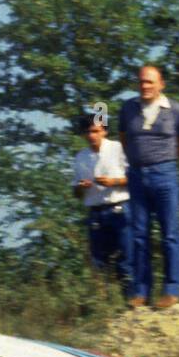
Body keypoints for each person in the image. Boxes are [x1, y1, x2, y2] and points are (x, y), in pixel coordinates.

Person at [118, 65, 179, 309]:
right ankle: (140, 292)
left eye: (150, 82)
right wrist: (138, 162)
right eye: (141, 82)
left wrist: (164, 161)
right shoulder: (128, 108)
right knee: (139, 235)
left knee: (169, 233)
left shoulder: (176, 110)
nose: (145, 86)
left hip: (165, 174)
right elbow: (124, 139)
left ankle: (171, 289)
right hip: (137, 175)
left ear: (161, 84)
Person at [72, 114, 132, 296]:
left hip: (119, 208)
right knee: (99, 262)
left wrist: (113, 182)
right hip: (96, 212)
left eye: (96, 131)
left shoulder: (118, 149)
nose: (92, 135)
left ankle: (133, 303)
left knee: (126, 258)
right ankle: (104, 305)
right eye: (88, 132)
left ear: (104, 131)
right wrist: (81, 187)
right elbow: (75, 192)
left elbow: (136, 179)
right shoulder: (81, 157)